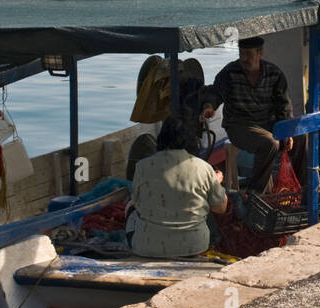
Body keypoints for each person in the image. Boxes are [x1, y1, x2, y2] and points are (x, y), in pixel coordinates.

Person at [201, 36, 305, 192]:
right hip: (238, 125)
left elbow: (283, 105)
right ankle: (257, 194)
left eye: (248, 54)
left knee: (300, 136)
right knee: (269, 143)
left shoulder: (274, 74)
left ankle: (303, 189)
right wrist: (209, 106)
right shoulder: (230, 73)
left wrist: (287, 130)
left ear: (260, 54)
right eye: (241, 53)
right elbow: (215, 92)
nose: (244, 58)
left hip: (267, 123)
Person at [126, 109, 232, 258]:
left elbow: (137, 203)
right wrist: (216, 182)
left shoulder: (142, 166)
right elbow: (220, 208)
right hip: (194, 247)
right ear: (191, 139)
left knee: (129, 207)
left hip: (147, 248)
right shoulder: (203, 168)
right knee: (205, 204)